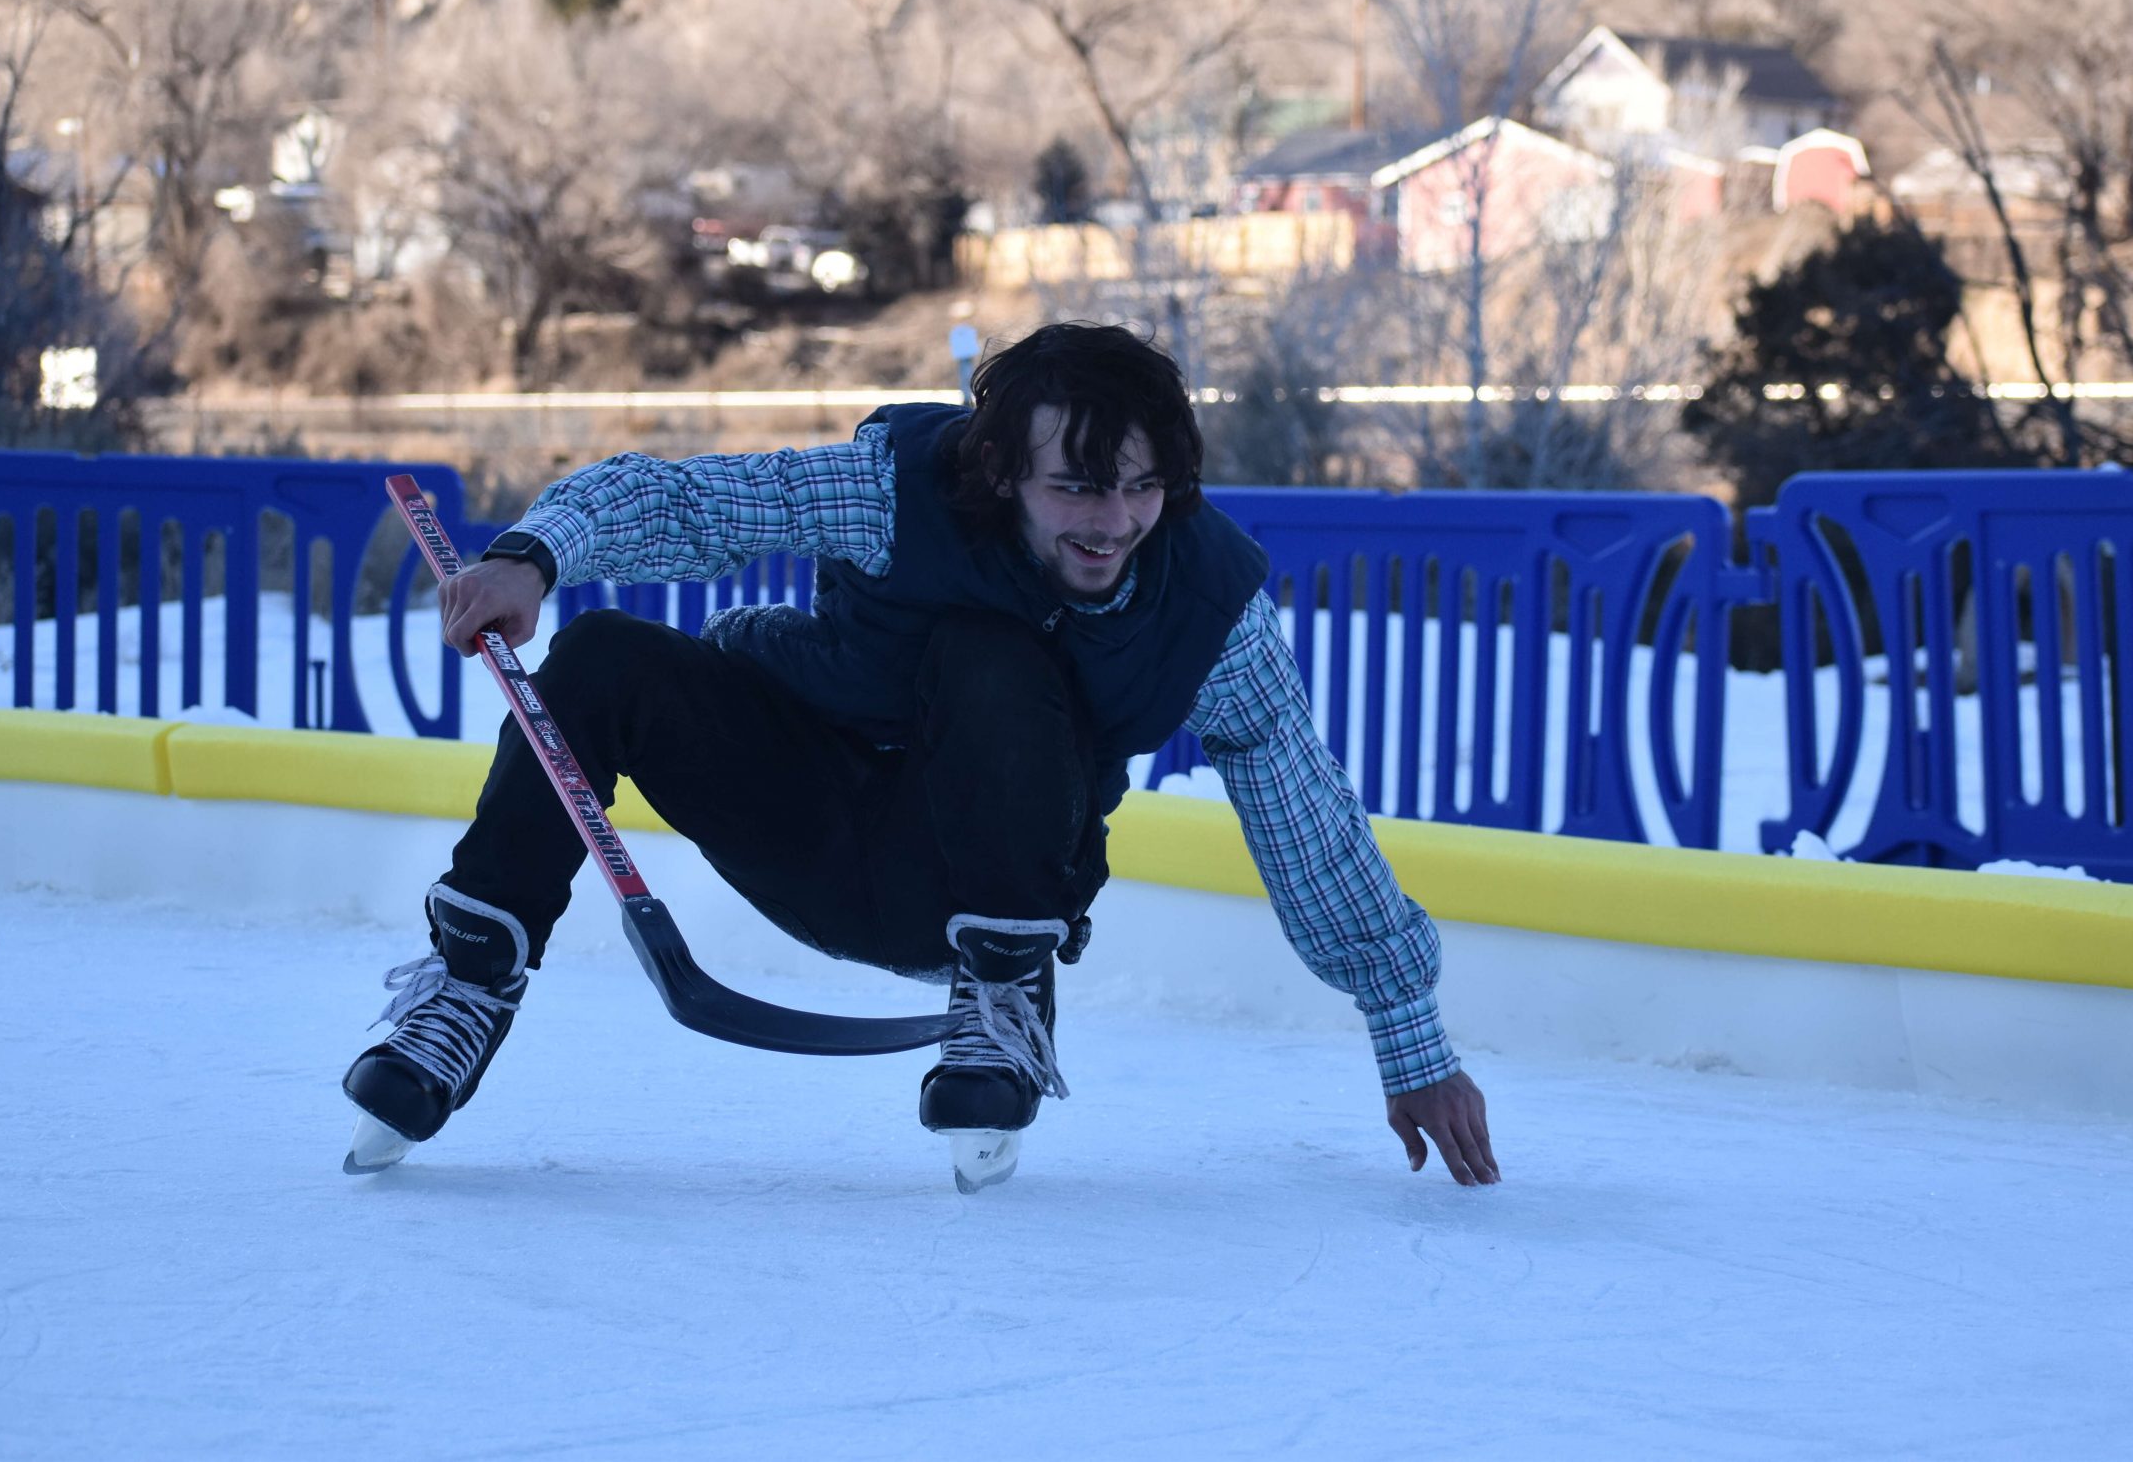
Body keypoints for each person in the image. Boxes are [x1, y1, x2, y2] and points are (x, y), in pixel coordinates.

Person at [343, 322, 1500, 1187]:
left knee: (988, 655)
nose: (1111, 523)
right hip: (801, 811)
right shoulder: (892, 491)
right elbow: (689, 502)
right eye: (1076, 488)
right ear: (1002, 472)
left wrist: (1410, 1039)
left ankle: (1000, 996)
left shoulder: (1207, 608)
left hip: (978, 882)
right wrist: (533, 555)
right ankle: (465, 989)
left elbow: (1306, 822)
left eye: (1142, 488)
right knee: (602, 656)